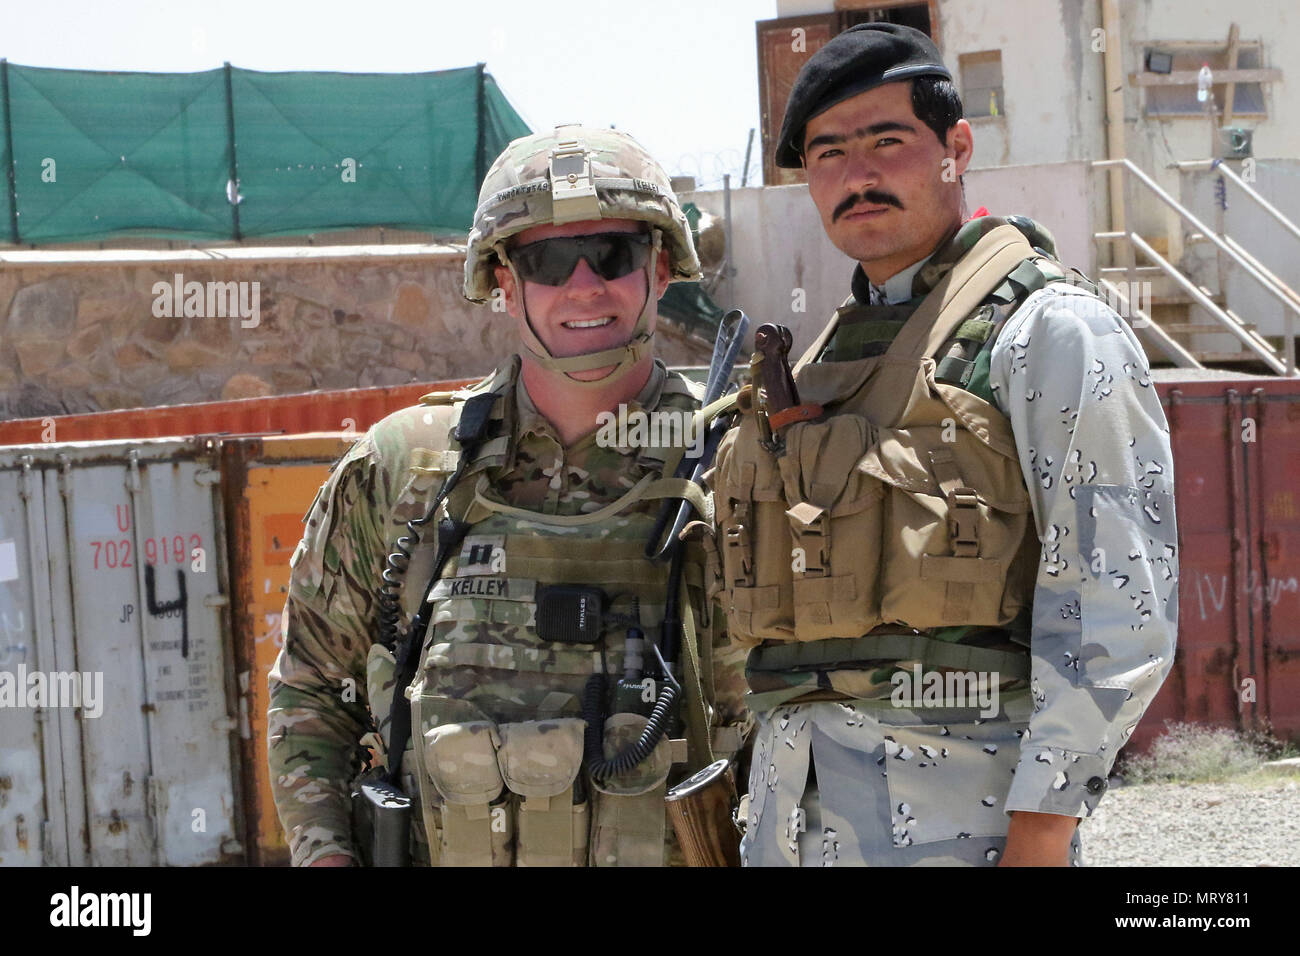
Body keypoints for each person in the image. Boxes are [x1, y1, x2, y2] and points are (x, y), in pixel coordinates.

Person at [713, 23, 1177, 866]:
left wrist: (1041, 832)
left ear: (955, 148)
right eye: (828, 155)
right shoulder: (819, 363)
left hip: (964, 832)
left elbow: (1116, 600)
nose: (858, 175)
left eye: (887, 142)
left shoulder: (1049, 334)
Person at [268, 124, 749, 867]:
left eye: (613, 254)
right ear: (504, 282)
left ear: (659, 268)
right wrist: (327, 853)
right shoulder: (405, 468)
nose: (584, 285)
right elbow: (311, 692)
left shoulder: (741, 461)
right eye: (549, 260)